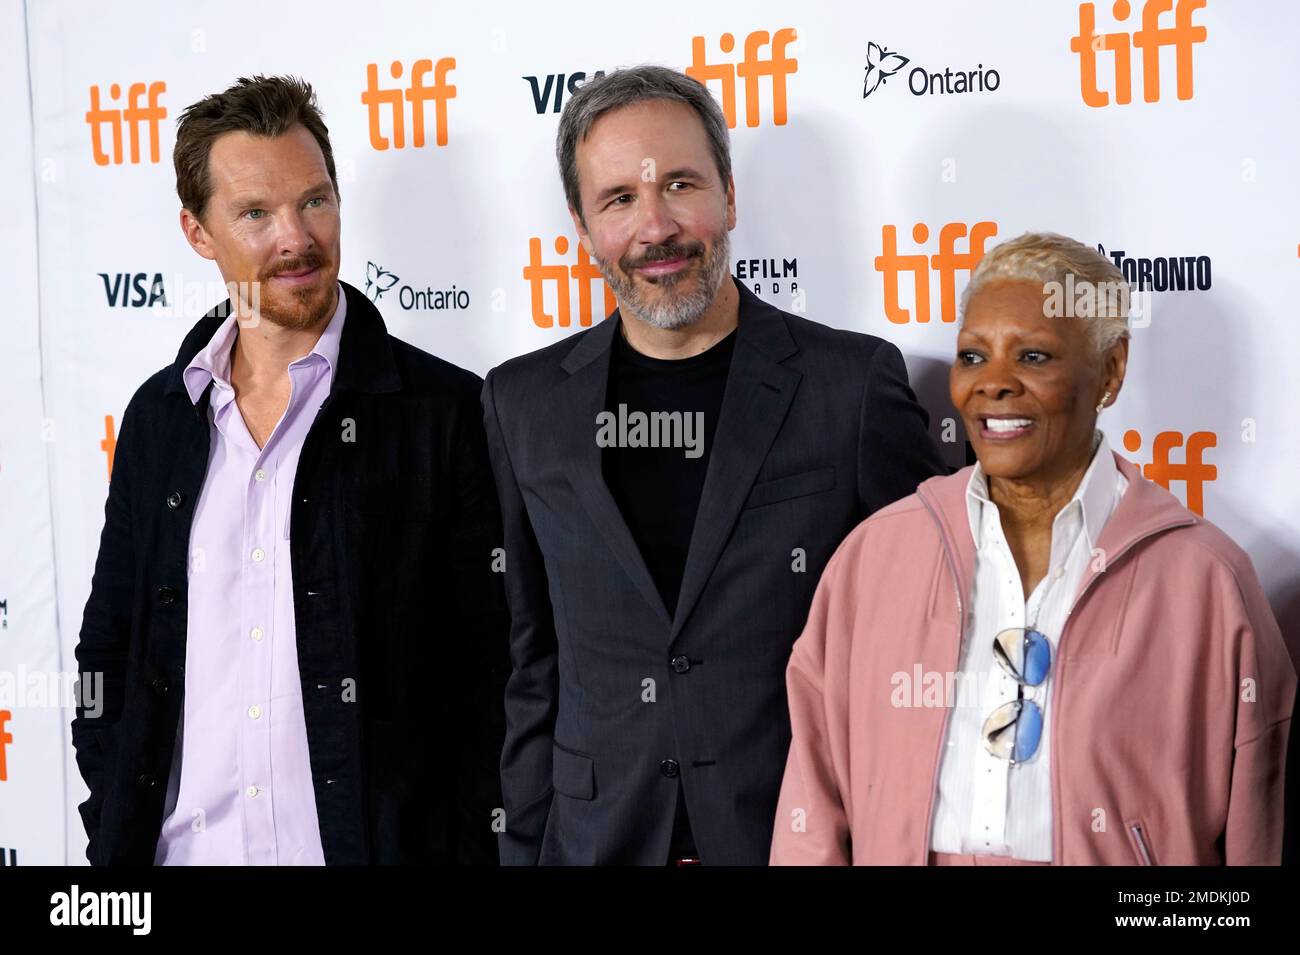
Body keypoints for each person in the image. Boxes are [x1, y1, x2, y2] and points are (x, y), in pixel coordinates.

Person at [483, 65, 945, 865]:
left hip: (797, 834)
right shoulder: (522, 404)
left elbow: (920, 645)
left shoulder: (853, 387)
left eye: (681, 184)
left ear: (730, 196)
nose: (655, 226)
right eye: (619, 198)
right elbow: (534, 661)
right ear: (583, 224)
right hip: (594, 839)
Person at [71, 75, 509, 865]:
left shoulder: (446, 413)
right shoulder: (158, 419)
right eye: (255, 214)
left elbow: (499, 670)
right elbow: (112, 645)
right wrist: (113, 817)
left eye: (314, 201)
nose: (296, 239)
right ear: (198, 232)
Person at [770, 232, 1295, 865]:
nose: (993, 384)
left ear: (1111, 371)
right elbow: (812, 809)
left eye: (1034, 357)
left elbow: (1254, 841)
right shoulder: (874, 557)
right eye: (972, 356)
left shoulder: (1207, 581)